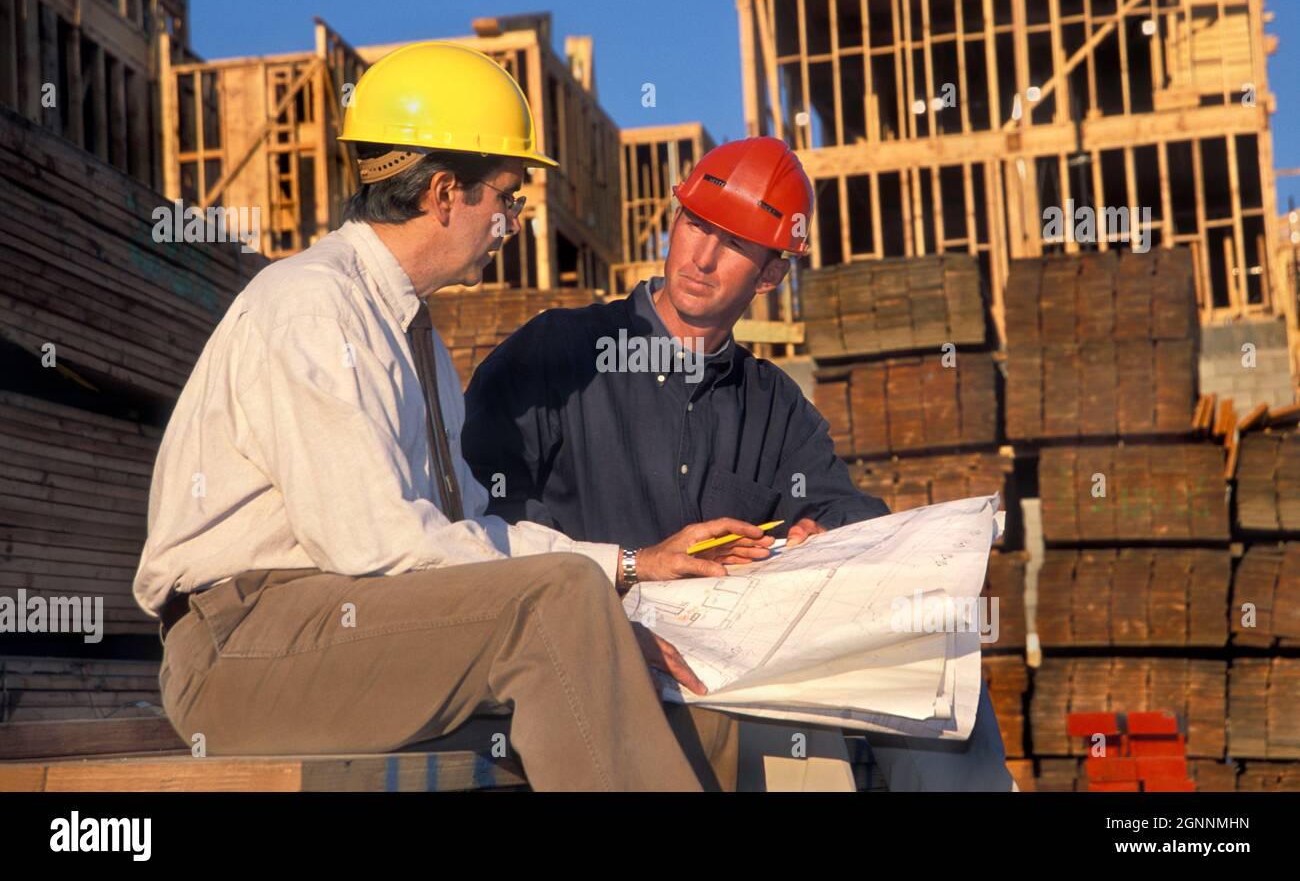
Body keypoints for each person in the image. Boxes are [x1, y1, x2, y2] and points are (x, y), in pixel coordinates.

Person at [133, 42, 756, 791]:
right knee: (560, 608)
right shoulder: (311, 307)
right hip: (241, 652)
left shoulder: (414, 339)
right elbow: (380, 545)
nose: (514, 222)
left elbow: (460, 531)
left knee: (691, 706)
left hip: (345, 628)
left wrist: (628, 566)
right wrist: (588, 604)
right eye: (507, 197)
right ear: (442, 196)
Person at [463, 136, 1015, 790]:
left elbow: (842, 508)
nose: (699, 257)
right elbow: (480, 519)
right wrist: (618, 588)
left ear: (772, 274)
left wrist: (830, 537)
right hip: (588, 650)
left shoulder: (775, 406)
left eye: (732, 243)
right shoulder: (557, 357)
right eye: (694, 224)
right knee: (780, 746)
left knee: (943, 678)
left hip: (731, 666)